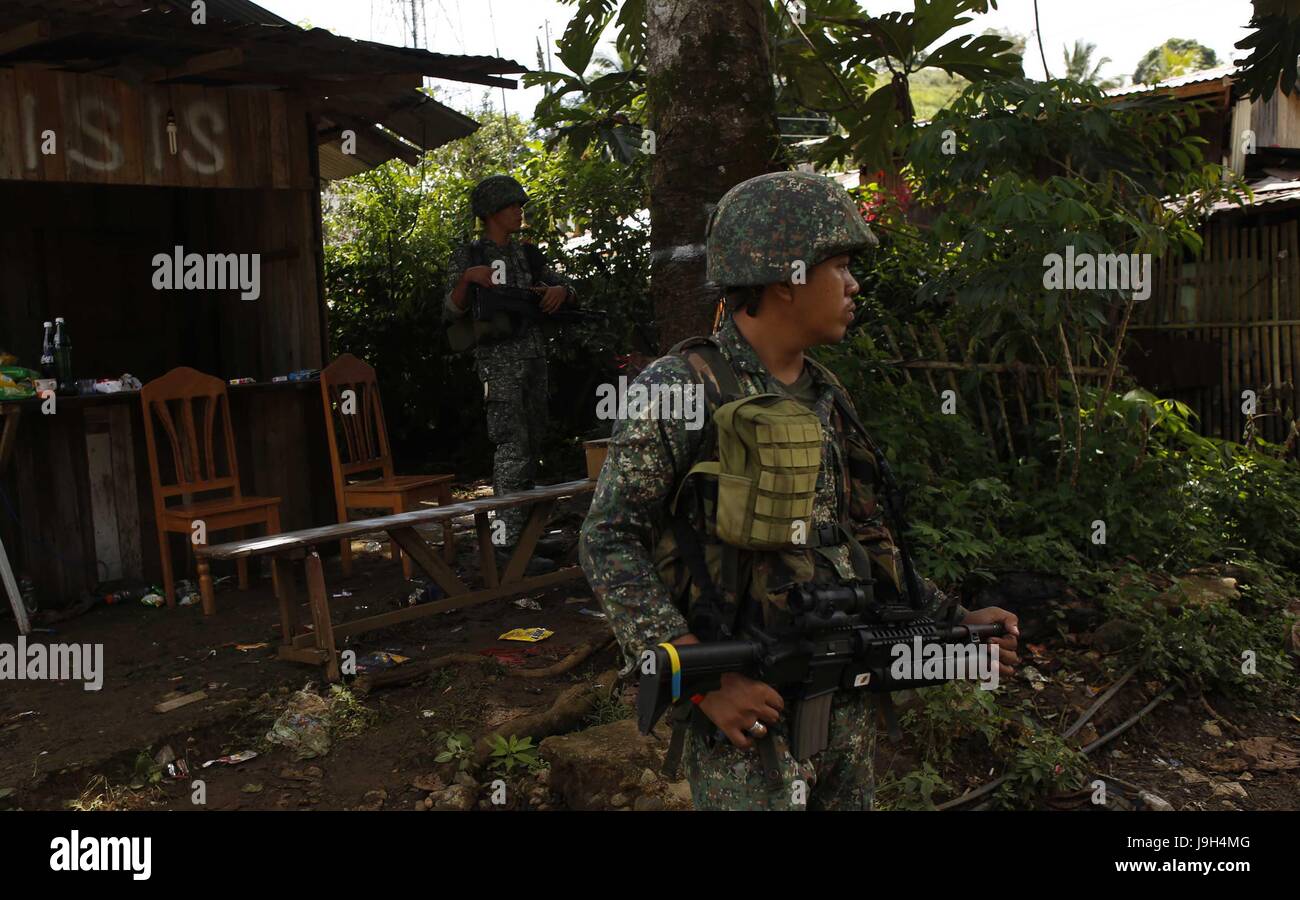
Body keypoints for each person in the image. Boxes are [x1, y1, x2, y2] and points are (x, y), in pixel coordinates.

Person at [578, 171, 1020, 810]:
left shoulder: (826, 393)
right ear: (786, 276)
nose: (853, 284)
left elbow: (857, 538)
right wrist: (702, 682)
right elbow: (608, 540)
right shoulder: (681, 390)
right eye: (839, 265)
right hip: (746, 711)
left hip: (843, 695)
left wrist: (951, 622)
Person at [445, 175, 575, 565]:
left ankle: (527, 537)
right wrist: (469, 279)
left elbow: (560, 284)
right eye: (513, 205)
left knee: (533, 444)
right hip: (499, 364)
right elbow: (450, 310)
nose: (521, 212)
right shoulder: (470, 256)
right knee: (511, 448)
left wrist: (561, 290)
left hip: (533, 358)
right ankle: (505, 545)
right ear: (491, 212)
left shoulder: (527, 255)